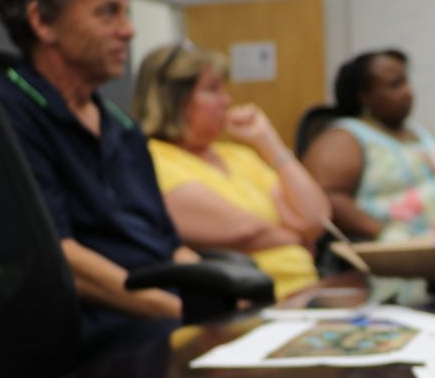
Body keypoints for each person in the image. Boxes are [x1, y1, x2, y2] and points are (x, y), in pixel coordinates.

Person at [0, 0, 198, 356]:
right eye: (108, 12)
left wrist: (224, 297)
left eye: (127, 11)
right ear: (43, 22)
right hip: (100, 336)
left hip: (163, 318)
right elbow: (56, 258)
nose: (129, 29)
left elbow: (170, 245)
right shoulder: (3, 115)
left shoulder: (123, 128)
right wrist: (178, 309)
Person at [132, 42, 330, 299]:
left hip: (306, 293)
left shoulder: (238, 155)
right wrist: (298, 238)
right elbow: (243, 230)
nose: (227, 100)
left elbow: (316, 218)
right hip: (246, 305)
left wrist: (268, 142)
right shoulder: (151, 158)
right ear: (174, 99)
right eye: (212, 90)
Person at [303, 49, 435, 244]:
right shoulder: (345, 137)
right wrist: (382, 232)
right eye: (395, 84)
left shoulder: (422, 133)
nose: (408, 92)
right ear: (364, 95)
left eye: (406, 82)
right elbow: (324, 195)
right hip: (396, 256)